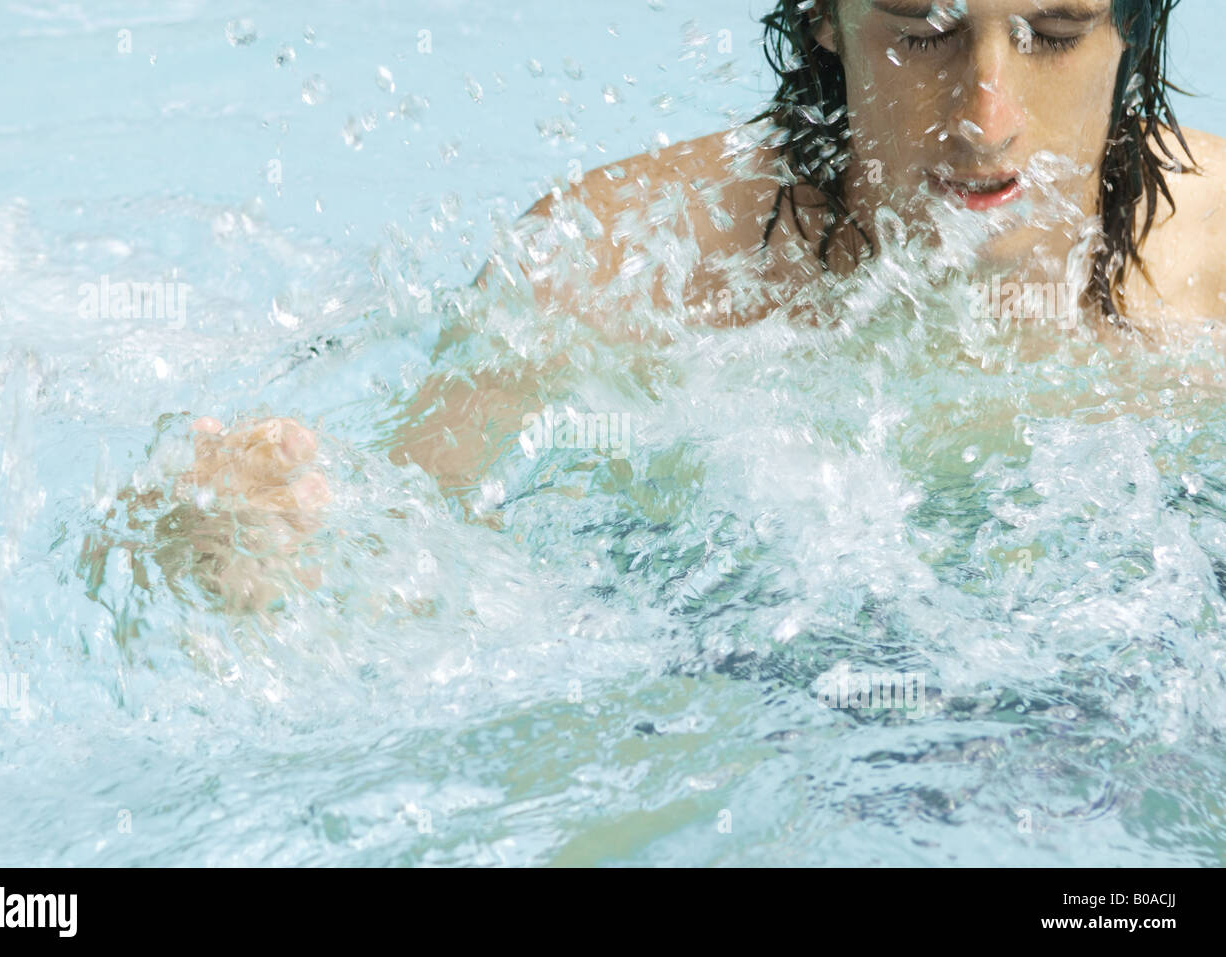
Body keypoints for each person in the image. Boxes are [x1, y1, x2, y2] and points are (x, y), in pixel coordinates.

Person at [160, 0, 1226, 608]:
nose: (985, 116)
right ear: (825, 16)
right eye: (923, 30)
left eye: (1053, 31)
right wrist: (233, 557)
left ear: (1130, 25)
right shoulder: (617, 261)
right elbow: (386, 565)